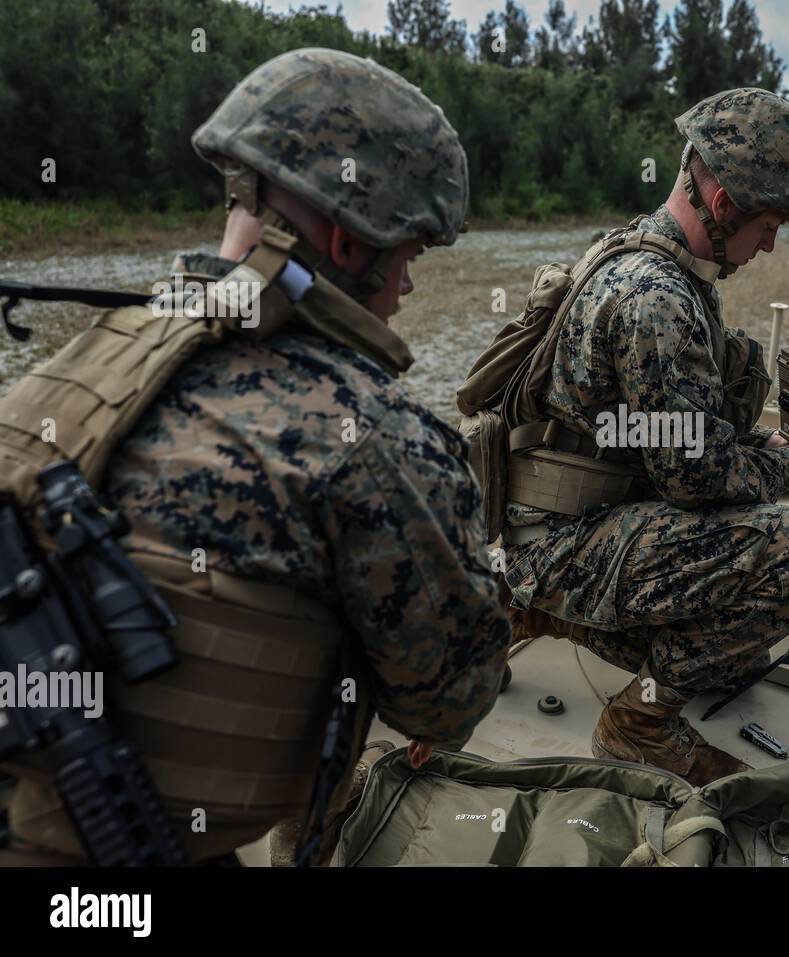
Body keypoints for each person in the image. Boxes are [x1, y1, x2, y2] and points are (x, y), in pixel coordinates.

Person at [0, 47, 510, 865]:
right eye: (409, 256)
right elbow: (450, 703)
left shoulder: (83, 358)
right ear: (349, 243)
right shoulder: (372, 435)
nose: (407, 288)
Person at [499, 89, 789, 787]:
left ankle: (537, 612)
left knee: (735, 660)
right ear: (724, 203)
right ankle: (639, 722)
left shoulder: (638, 254)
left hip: (560, 520)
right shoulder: (659, 298)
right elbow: (697, 481)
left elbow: (674, 441)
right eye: (769, 226)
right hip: (566, 540)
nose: (769, 245)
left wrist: (762, 451)